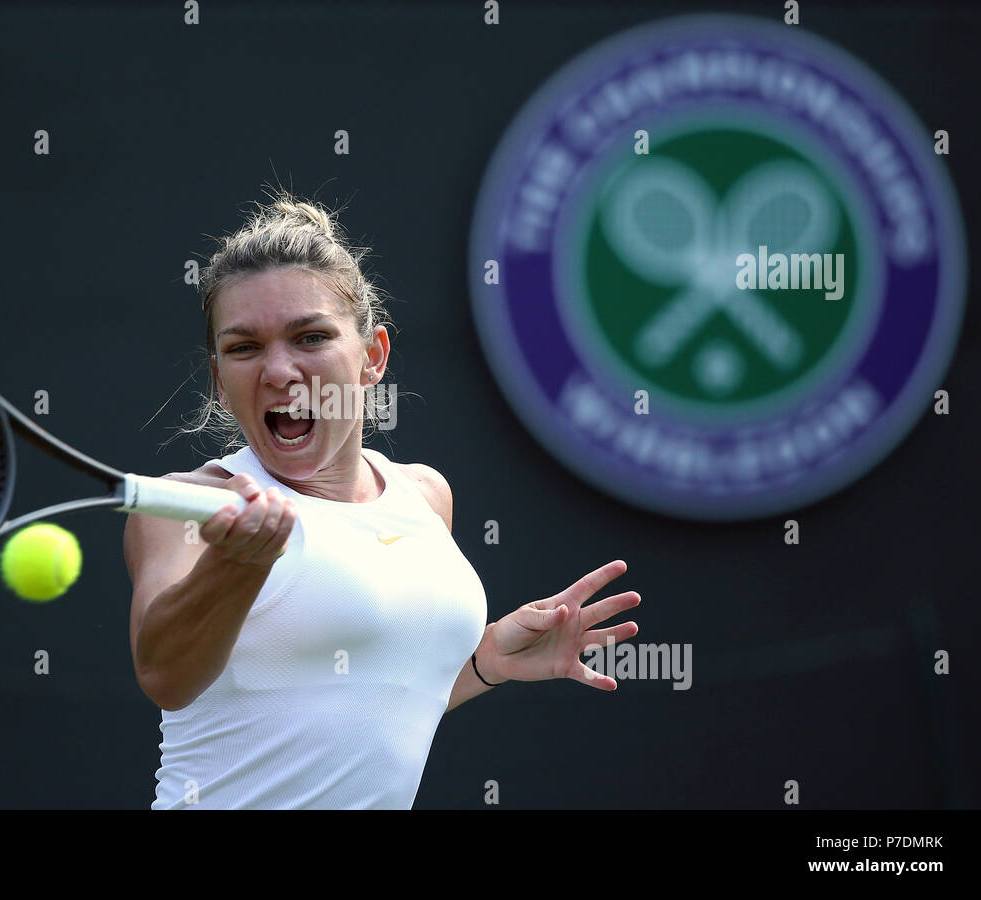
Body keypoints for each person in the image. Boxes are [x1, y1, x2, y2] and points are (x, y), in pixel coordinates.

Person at [124, 192, 641, 809]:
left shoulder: (425, 494)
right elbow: (166, 678)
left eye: (310, 337)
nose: (280, 370)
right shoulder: (186, 507)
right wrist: (238, 561)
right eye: (244, 348)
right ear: (220, 379)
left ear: (373, 356)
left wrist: (487, 661)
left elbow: (363, 702)